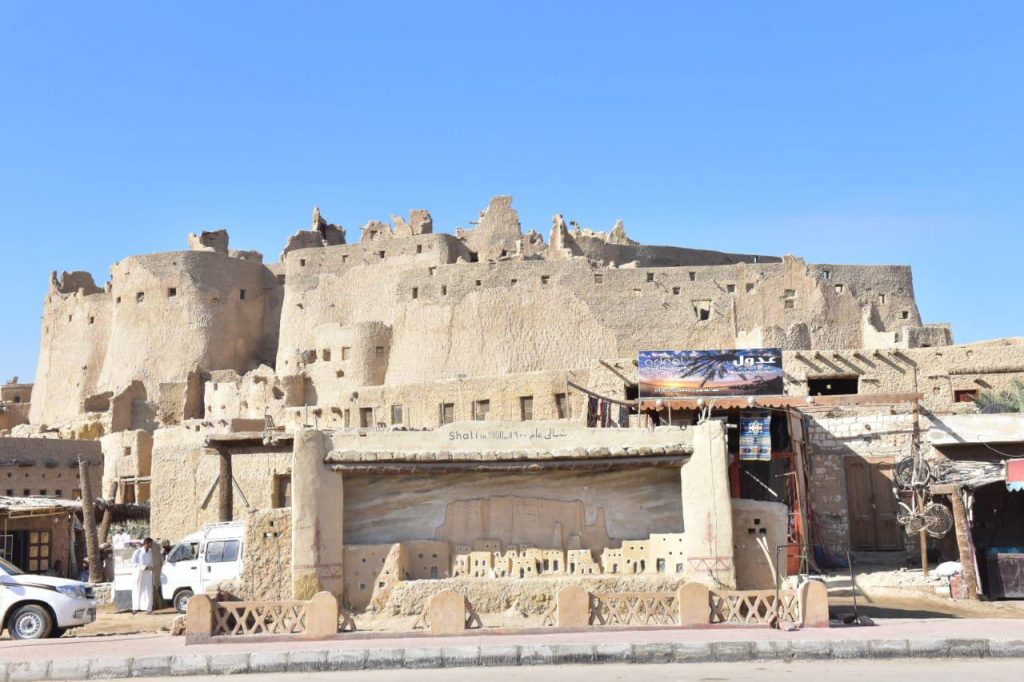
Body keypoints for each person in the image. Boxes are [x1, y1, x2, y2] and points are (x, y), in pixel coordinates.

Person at [130, 537, 155, 613]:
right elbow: (134, 563)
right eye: (150, 544)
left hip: (147, 574)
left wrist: (151, 566)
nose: (151, 545)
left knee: (148, 590)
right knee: (137, 590)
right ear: (146, 543)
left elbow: (151, 562)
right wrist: (143, 567)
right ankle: (135, 608)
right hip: (139, 573)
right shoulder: (138, 552)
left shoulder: (150, 553)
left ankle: (148, 609)